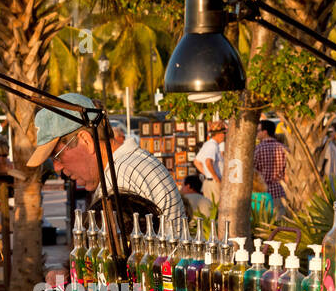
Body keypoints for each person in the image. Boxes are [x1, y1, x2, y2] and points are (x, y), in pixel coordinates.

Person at [26, 93, 184, 228]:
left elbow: (123, 259)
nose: (57, 167)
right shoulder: (130, 164)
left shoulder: (119, 178)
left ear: (86, 141)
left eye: (57, 155)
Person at [253, 119, 287, 205]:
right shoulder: (284, 149)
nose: (256, 133)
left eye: (258, 131)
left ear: (265, 132)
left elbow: (253, 171)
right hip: (279, 191)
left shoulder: (257, 149)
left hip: (261, 193)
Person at [193, 123, 226, 199]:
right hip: (214, 183)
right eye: (224, 133)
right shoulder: (212, 146)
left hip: (209, 182)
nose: (225, 135)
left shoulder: (208, 144)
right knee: (217, 207)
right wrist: (216, 178)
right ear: (219, 134)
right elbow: (208, 162)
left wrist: (207, 174)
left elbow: (196, 162)